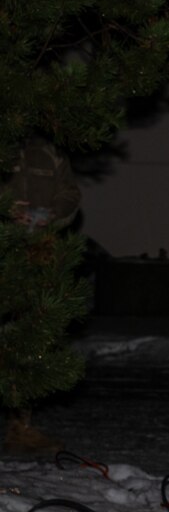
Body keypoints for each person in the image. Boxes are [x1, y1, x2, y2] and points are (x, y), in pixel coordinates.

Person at [2, 136, 82, 456]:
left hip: (36, 255)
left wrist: (52, 213)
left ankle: (19, 427)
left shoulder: (48, 149)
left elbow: (71, 193)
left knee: (28, 340)